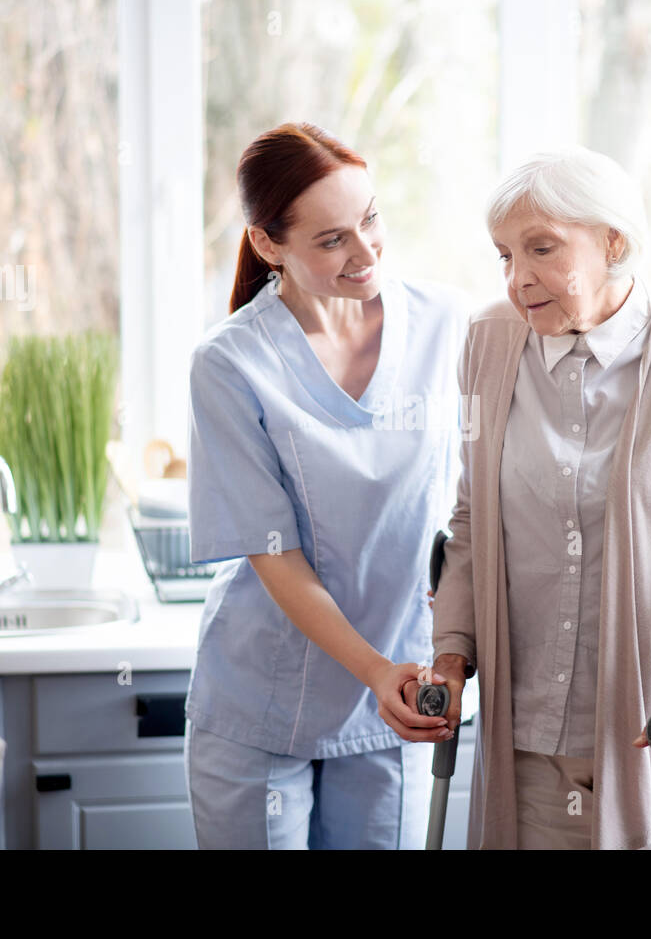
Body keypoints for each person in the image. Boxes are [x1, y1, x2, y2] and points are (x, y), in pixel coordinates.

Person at [419, 146, 651, 849]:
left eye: (542, 248)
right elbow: (470, 525)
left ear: (615, 242)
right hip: (526, 752)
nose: (517, 280)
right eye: (503, 256)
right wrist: (450, 654)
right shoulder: (487, 343)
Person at [184, 122, 469, 849]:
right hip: (261, 706)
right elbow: (273, 554)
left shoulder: (448, 325)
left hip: (396, 701)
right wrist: (375, 670)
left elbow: (480, 504)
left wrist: (445, 655)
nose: (366, 252)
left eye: (371, 219)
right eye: (332, 239)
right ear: (267, 244)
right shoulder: (230, 364)